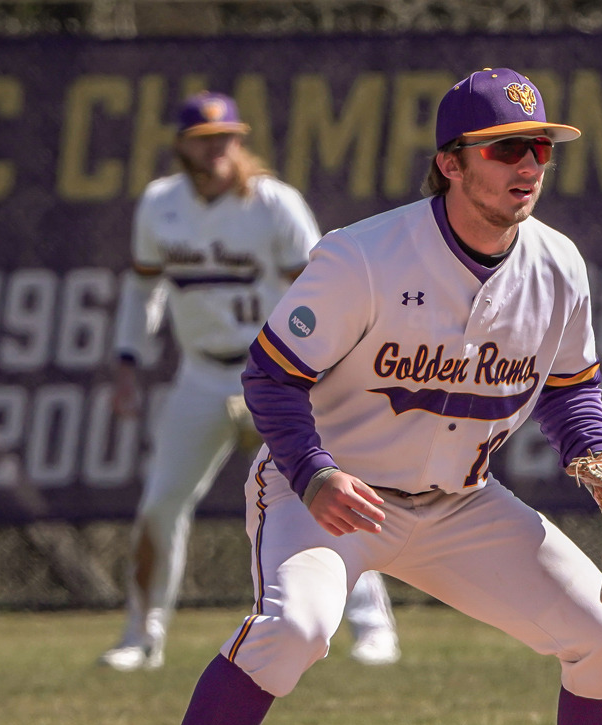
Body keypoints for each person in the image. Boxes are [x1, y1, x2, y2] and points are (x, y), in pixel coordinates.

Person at [109, 68, 602, 725]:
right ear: (451, 163)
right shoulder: (366, 255)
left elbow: (570, 388)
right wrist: (312, 476)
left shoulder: (558, 264)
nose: (529, 164)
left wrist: (595, 456)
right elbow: (272, 378)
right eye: (505, 150)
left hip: (459, 501)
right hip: (329, 495)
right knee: (295, 630)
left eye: (540, 148)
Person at [100, 91, 399, 673]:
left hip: (276, 374)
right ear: (181, 145)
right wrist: (128, 361)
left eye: (228, 137)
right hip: (202, 373)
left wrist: (324, 369)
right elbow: (143, 290)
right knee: (161, 506)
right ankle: (143, 635)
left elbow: (321, 290)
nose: (218, 149)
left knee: (328, 493)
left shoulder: (272, 204)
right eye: (205, 139)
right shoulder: (160, 205)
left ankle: (372, 626)